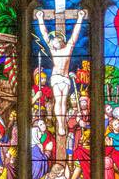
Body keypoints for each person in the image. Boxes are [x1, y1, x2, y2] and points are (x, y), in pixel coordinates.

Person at [34, 8, 86, 136]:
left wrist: (79, 18)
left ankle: (62, 124)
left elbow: (75, 35)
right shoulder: (54, 51)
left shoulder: (67, 48)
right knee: (58, 100)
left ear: (61, 41)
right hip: (56, 77)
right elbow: (45, 34)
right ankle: (61, 125)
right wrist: (40, 18)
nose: (53, 43)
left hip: (65, 78)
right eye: (52, 42)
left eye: (55, 41)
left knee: (63, 101)